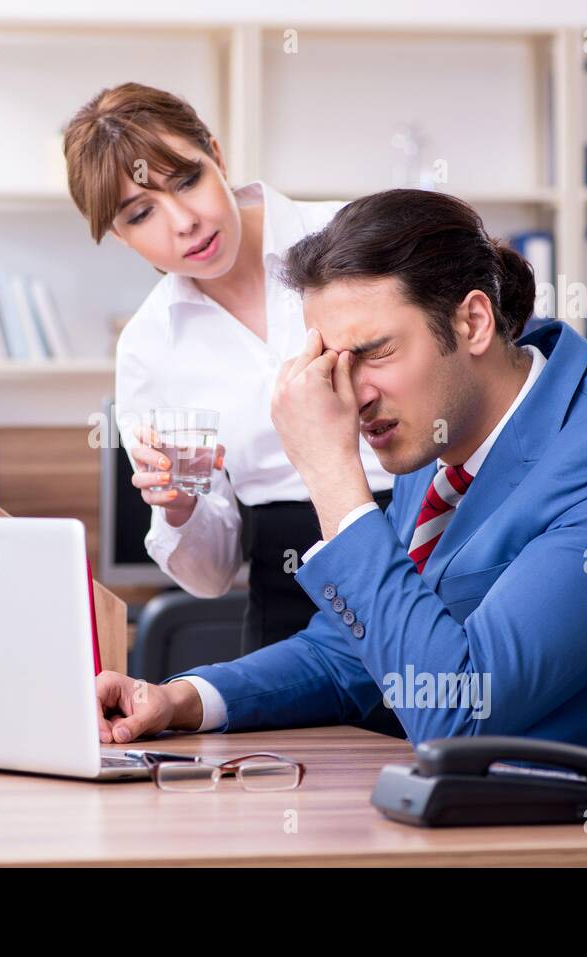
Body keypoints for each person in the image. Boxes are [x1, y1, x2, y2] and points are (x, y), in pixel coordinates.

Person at [93, 188, 587, 799]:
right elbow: (350, 652)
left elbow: (460, 710)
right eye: (333, 360)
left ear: (471, 322)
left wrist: (333, 477)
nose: (351, 394)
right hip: (481, 812)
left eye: (375, 351)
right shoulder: (439, 437)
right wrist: (178, 699)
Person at [62, 83, 397, 688]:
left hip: (426, 549)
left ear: (216, 154)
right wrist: (180, 506)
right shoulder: (149, 345)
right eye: (141, 214)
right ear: (120, 236)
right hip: (290, 604)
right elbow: (212, 575)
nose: (184, 222)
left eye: (187, 180)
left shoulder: (351, 234)